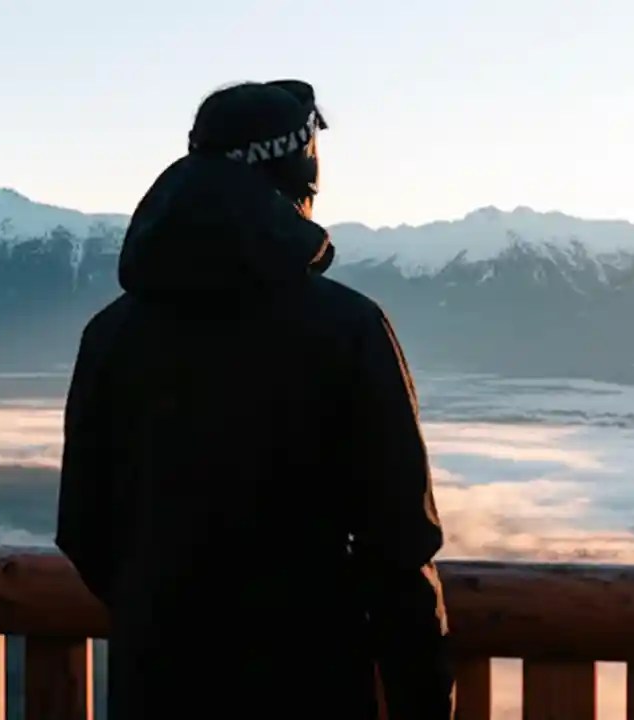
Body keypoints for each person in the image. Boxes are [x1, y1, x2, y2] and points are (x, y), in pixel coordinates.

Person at [55, 80, 454, 720]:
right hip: (311, 685)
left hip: (156, 687)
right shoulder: (347, 327)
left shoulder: (111, 334)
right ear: (299, 180)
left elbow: (82, 527)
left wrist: (163, 607)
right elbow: (400, 544)